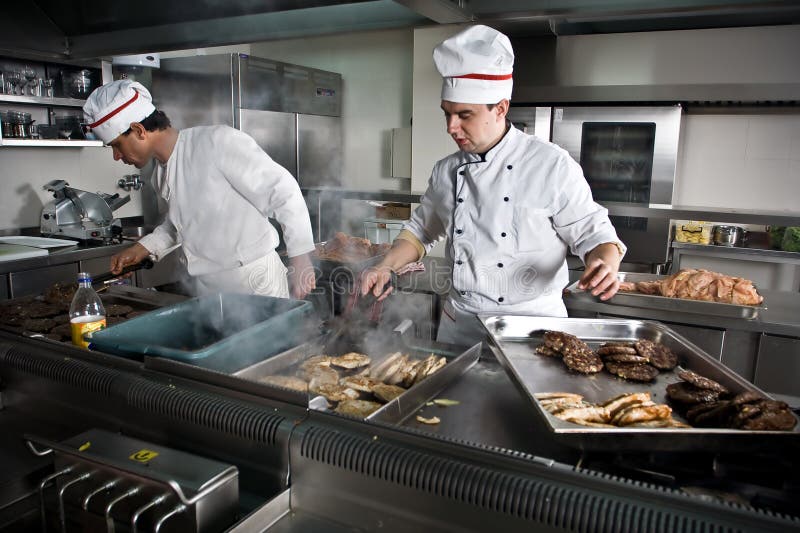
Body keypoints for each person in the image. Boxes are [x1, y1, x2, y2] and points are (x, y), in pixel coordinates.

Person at [361, 25, 626, 346]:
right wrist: (385, 266)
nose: (451, 127)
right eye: (447, 114)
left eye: (464, 115)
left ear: (500, 108)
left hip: (532, 327)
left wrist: (604, 262)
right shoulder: (447, 170)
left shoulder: (551, 165)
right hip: (461, 324)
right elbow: (420, 231)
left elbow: (594, 234)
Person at [83, 79, 316, 299]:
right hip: (208, 289)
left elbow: (283, 191)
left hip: (255, 282)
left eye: (116, 145)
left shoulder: (216, 142)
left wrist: (301, 259)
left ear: (139, 130)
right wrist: (143, 247)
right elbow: (182, 225)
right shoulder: (160, 174)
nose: (116, 156)